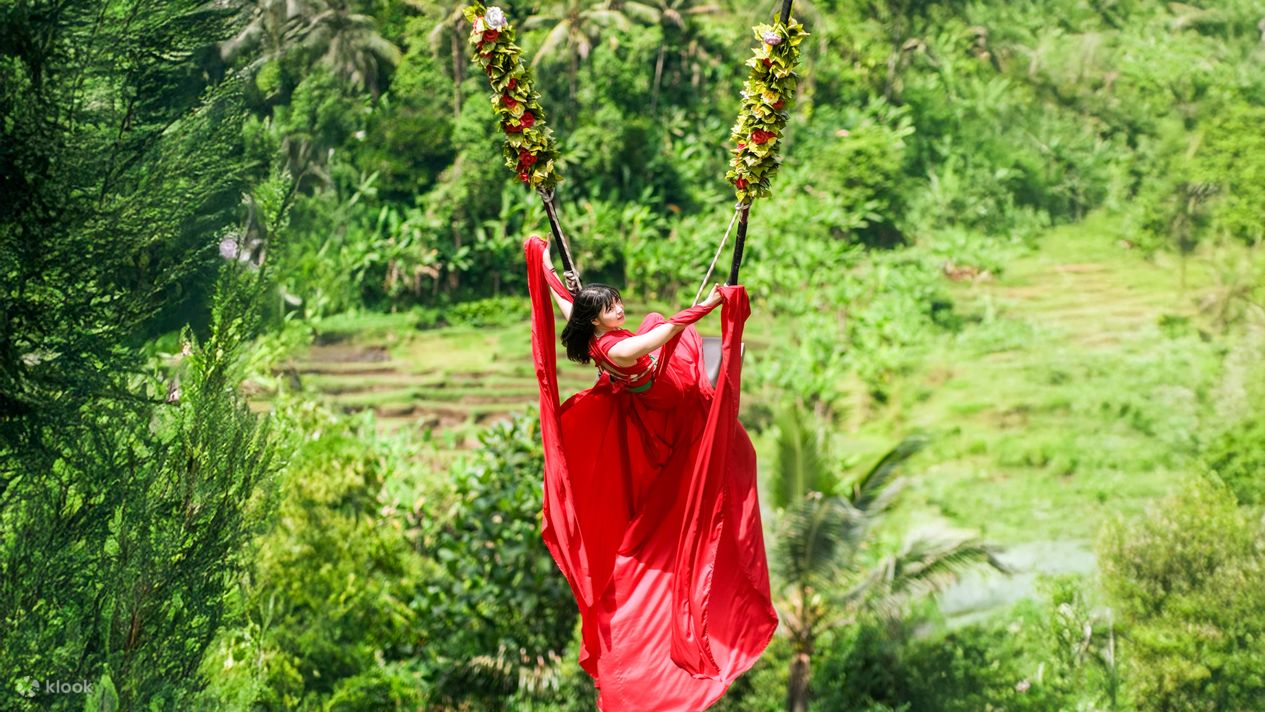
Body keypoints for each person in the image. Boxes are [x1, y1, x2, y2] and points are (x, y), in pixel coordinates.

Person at [522, 235, 778, 712]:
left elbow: (563, 301)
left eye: (617, 302)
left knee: (659, 325)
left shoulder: (595, 334)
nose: (619, 308)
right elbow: (658, 338)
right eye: (610, 307)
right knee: (665, 331)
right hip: (667, 404)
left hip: (650, 394)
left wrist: (545, 262)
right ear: (595, 319)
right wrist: (707, 307)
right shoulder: (617, 351)